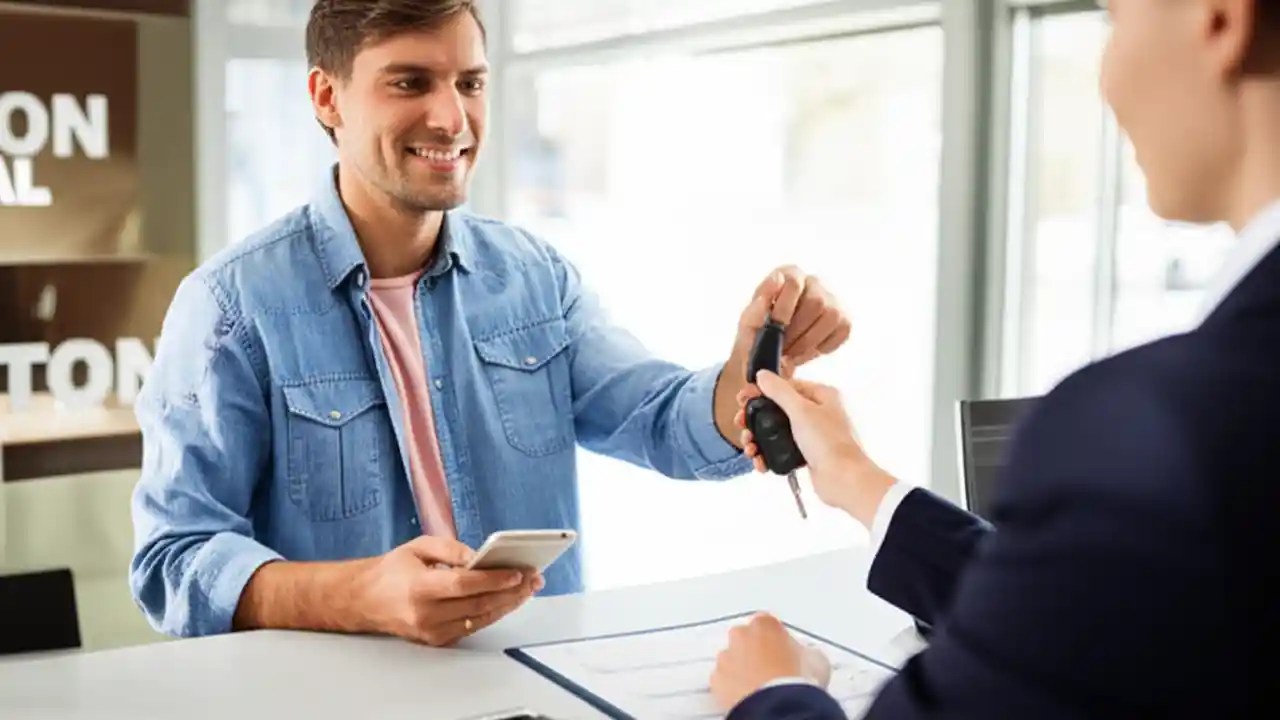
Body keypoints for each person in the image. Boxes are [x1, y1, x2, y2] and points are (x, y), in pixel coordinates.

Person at [129, 0, 852, 644]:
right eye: (410, 82)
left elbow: (659, 419)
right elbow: (175, 559)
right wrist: (360, 597)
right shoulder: (229, 307)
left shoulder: (537, 278)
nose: (452, 119)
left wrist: (745, 374)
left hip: (536, 685)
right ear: (327, 97)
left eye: (470, 83)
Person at [710, 0, 1279, 716]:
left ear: (1218, 18)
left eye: (1115, 20)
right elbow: (1091, 610)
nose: (1108, 77)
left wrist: (774, 693)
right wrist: (855, 478)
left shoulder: (1151, 428)